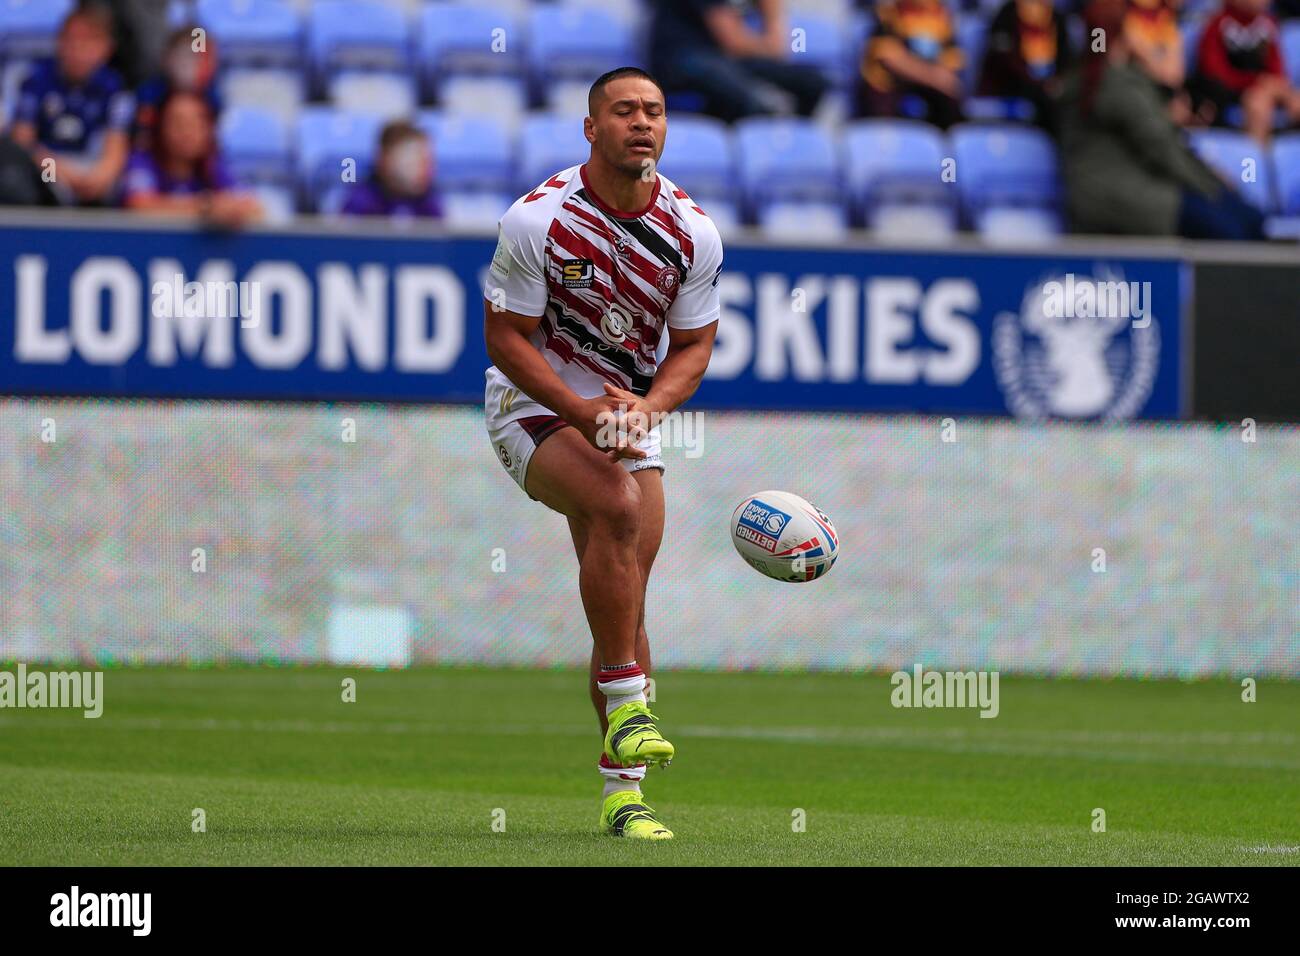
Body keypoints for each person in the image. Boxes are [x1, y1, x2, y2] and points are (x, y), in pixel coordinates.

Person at [482, 68, 723, 840]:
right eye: (624, 111)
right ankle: (627, 705)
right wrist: (580, 409)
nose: (642, 123)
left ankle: (626, 799)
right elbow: (504, 338)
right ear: (591, 128)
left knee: (626, 603)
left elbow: (693, 347)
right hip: (534, 407)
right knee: (617, 506)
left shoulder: (693, 232)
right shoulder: (538, 221)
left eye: (654, 111)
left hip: (627, 417)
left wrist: (647, 409)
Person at [1058, 0, 1265, 239]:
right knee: (1234, 227)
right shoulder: (1113, 84)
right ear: (1122, 33)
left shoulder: (1094, 79)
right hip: (1123, 199)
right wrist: (1211, 188)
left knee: (1249, 219)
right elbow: (1162, 148)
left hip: (1124, 190)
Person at [7, 6, 133, 206]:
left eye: (89, 41)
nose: (78, 48)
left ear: (107, 48)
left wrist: (97, 178)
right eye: (72, 39)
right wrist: (62, 173)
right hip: (47, 169)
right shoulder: (36, 79)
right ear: (59, 42)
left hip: (92, 173)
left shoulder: (115, 87)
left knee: (123, 185)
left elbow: (115, 152)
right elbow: (22, 143)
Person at [650, 0, 828, 122]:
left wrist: (773, 24)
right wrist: (769, 47)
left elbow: (778, 49)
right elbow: (734, 42)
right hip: (683, 59)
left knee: (812, 83)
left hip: (726, 61)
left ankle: (790, 147)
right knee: (749, 99)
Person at [121, 90, 261, 228]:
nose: (188, 132)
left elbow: (254, 208)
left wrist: (229, 209)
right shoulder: (143, 160)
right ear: (161, 128)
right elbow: (140, 205)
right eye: (178, 123)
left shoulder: (212, 166)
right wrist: (204, 208)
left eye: (197, 124)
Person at [1192, 0, 1300, 143]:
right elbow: (1214, 72)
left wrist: (1271, 85)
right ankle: (1257, 158)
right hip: (1235, 91)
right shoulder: (1217, 25)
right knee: (1258, 105)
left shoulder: (1268, 23)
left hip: (1266, 87)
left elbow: (1277, 66)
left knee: (1295, 100)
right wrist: (1255, 82)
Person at [856, 0, 965, 128]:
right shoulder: (888, 12)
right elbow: (889, 57)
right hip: (894, 83)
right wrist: (932, 77)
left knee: (952, 96)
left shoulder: (942, 15)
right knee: (879, 98)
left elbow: (952, 60)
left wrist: (940, 78)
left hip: (929, 86)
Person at [978, 0, 1073, 129]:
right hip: (1011, 87)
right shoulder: (1007, 14)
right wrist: (1037, 82)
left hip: (1048, 86)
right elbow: (1002, 60)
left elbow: (1066, 58)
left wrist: (1056, 81)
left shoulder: (1056, 17)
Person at [134, 23, 222, 152]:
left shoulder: (212, 98)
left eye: (200, 58)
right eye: (185, 57)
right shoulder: (150, 94)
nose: (190, 66)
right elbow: (142, 138)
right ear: (167, 59)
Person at [340, 121, 442, 219]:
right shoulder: (360, 203)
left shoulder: (430, 204)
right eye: (415, 161)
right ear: (384, 161)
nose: (427, 169)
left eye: (428, 161)